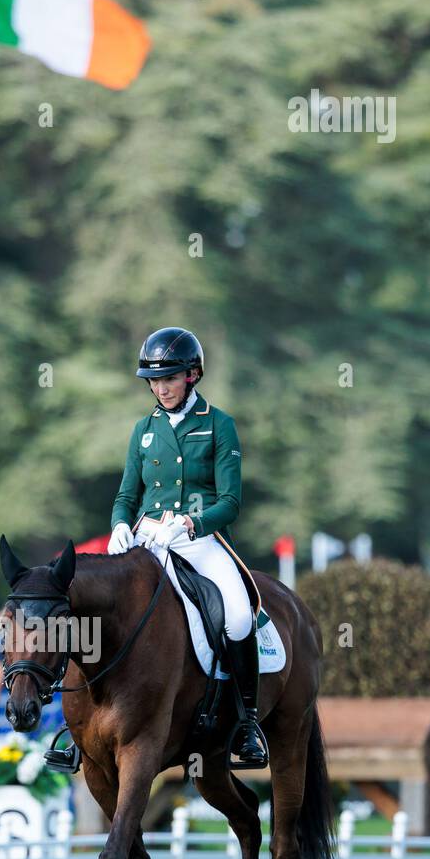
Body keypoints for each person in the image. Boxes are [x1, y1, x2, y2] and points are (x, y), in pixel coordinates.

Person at [107, 326, 267, 765]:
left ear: (192, 375)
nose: (161, 388)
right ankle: (81, 718)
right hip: (146, 539)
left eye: (170, 379)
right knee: (99, 604)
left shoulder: (219, 425)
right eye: (154, 381)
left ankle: (247, 722)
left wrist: (192, 523)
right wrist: (120, 524)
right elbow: (126, 495)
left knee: (236, 616)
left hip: (200, 540)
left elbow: (231, 503)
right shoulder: (143, 429)